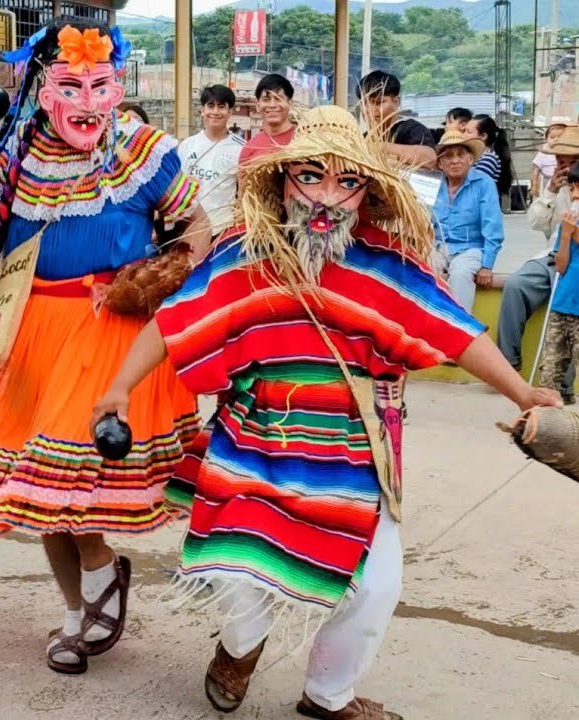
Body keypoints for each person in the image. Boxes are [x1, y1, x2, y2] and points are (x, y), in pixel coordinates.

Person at [93, 104, 560, 720]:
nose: (326, 196)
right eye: (310, 177)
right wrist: (118, 389)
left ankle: (328, 695)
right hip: (255, 438)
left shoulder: (389, 266)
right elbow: (177, 319)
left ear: (365, 192)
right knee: (243, 573)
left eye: (346, 182)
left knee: (374, 585)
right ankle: (238, 651)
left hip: (356, 446)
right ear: (284, 181)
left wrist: (522, 392)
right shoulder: (242, 257)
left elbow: (454, 333)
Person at [0, 19, 212, 675]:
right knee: (41, 492)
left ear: (117, 87)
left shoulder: (146, 153)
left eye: (99, 85)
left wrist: (167, 272)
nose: (86, 102)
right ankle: (78, 611)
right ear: (40, 87)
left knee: (62, 480)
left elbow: (198, 226)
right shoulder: (14, 158)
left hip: (111, 337)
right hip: (27, 331)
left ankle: (97, 583)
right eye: (69, 85)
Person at [499, 125, 579, 396]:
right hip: (549, 256)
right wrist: (550, 194)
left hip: (573, 264)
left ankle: (562, 386)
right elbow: (534, 222)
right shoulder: (553, 186)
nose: (565, 167)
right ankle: (507, 364)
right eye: (560, 161)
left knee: (566, 312)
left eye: (572, 162)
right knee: (515, 285)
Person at [432, 131, 503, 311]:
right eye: (448, 156)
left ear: (471, 159)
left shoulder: (484, 183)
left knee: (461, 274)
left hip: (470, 248)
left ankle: (459, 330)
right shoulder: (434, 183)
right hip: (437, 246)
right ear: (440, 163)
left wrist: (487, 265)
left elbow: (493, 227)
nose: (454, 160)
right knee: (418, 271)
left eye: (460, 154)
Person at [177, 84, 244, 237]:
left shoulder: (240, 148)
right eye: (210, 106)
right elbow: (178, 187)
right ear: (202, 110)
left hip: (223, 230)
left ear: (230, 112)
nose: (215, 112)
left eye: (221, 107)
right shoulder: (187, 145)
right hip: (189, 228)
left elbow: (242, 193)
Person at [538, 168, 579, 397]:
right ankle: (545, 423)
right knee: (550, 372)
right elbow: (561, 267)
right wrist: (565, 236)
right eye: (572, 188)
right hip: (562, 306)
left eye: (578, 188)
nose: (574, 195)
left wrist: (573, 233)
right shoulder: (569, 224)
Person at [356, 70, 437, 168]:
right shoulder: (363, 138)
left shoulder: (411, 129)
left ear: (396, 102)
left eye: (378, 102)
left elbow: (429, 159)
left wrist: (380, 147)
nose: (371, 109)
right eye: (365, 104)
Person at [238, 73, 296, 168]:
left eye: (278, 99)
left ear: (290, 103)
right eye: (266, 99)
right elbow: (243, 182)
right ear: (258, 106)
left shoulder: (304, 139)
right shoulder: (250, 148)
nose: (272, 105)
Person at [465, 113, 515, 198]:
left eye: (468, 132)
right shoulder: (479, 157)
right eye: (464, 131)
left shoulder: (488, 159)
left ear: (483, 136)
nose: (464, 135)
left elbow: (476, 189)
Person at [531, 122, 569, 199]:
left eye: (560, 137)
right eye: (552, 137)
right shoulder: (542, 153)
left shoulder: (568, 154)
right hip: (547, 180)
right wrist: (534, 186)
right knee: (548, 198)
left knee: (563, 200)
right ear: (546, 139)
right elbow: (536, 171)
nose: (556, 139)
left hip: (564, 180)